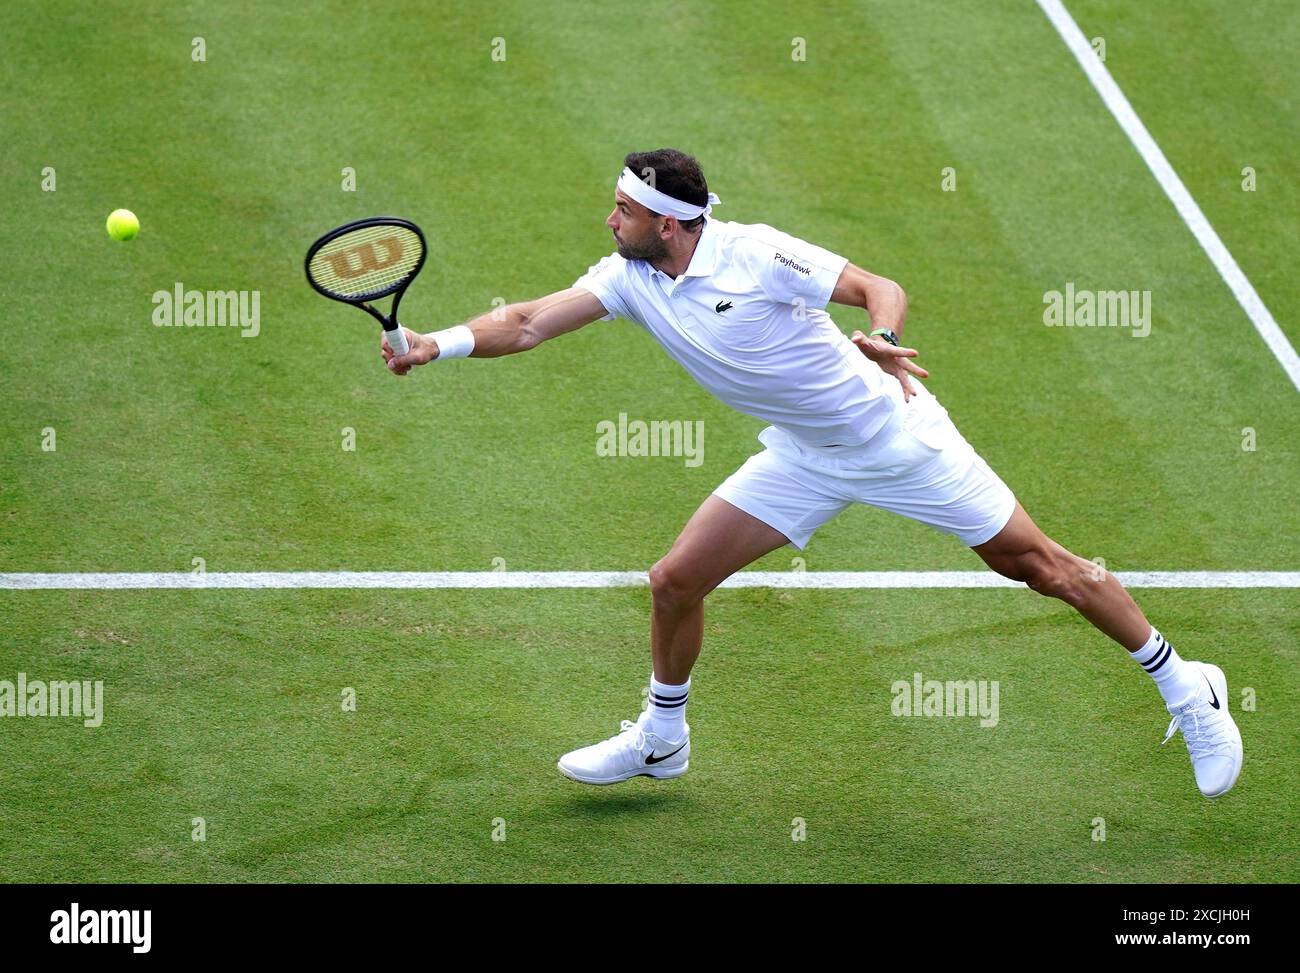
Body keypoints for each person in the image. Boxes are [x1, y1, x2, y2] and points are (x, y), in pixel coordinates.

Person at [381, 148, 1242, 798]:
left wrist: (886, 339)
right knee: (676, 578)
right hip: (802, 454)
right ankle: (662, 737)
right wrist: (435, 344)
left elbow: (877, 284)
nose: (610, 221)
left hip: (897, 442)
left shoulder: (756, 254)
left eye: (623, 211)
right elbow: (529, 322)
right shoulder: (631, 277)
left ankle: (1186, 684)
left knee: (1039, 567)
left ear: (669, 223)